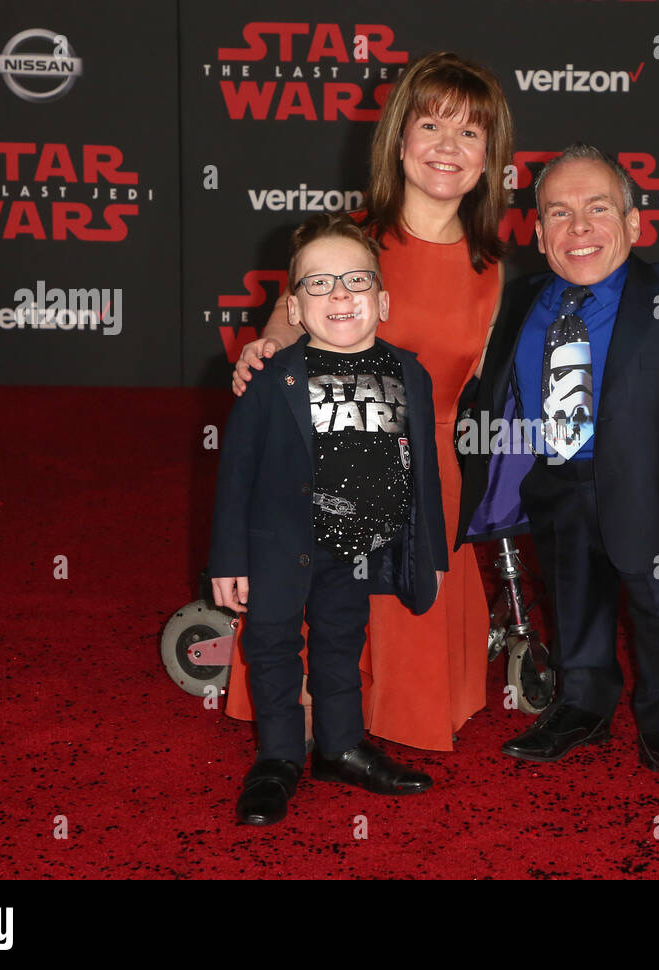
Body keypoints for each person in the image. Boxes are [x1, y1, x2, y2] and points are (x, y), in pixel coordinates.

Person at [228, 52, 513, 751]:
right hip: (325, 464)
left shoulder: (492, 270)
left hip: (426, 475)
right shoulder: (353, 238)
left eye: (470, 133)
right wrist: (263, 351)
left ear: (490, 157)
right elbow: (284, 325)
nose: (448, 147)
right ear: (399, 139)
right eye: (431, 125)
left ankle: (386, 720)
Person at [456, 145, 659, 795]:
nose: (579, 227)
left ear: (635, 221)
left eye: (597, 209)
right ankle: (583, 708)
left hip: (658, 494)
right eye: (559, 213)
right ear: (537, 232)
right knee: (574, 602)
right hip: (555, 485)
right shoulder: (521, 298)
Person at [209, 213, 448, 825]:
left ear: (383, 298)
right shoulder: (270, 378)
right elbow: (235, 471)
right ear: (293, 306)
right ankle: (279, 758)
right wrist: (228, 559)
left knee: (343, 644)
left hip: (357, 549)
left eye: (356, 281)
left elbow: (425, 470)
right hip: (278, 545)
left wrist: (432, 553)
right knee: (271, 646)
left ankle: (341, 746)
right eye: (318, 284)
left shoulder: (408, 374)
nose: (339, 294)